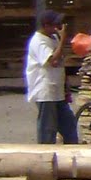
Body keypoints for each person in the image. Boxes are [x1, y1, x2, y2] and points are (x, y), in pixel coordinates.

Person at [25, 10, 78, 144]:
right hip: (45, 91)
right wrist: (63, 39)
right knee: (47, 128)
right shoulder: (38, 41)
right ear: (46, 25)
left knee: (69, 124)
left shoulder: (53, 39)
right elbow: (53, 61)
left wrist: (66, 87)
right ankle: (45, 156)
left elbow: (61, 63)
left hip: (57, 91)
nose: (59, 27)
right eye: (56, 25)